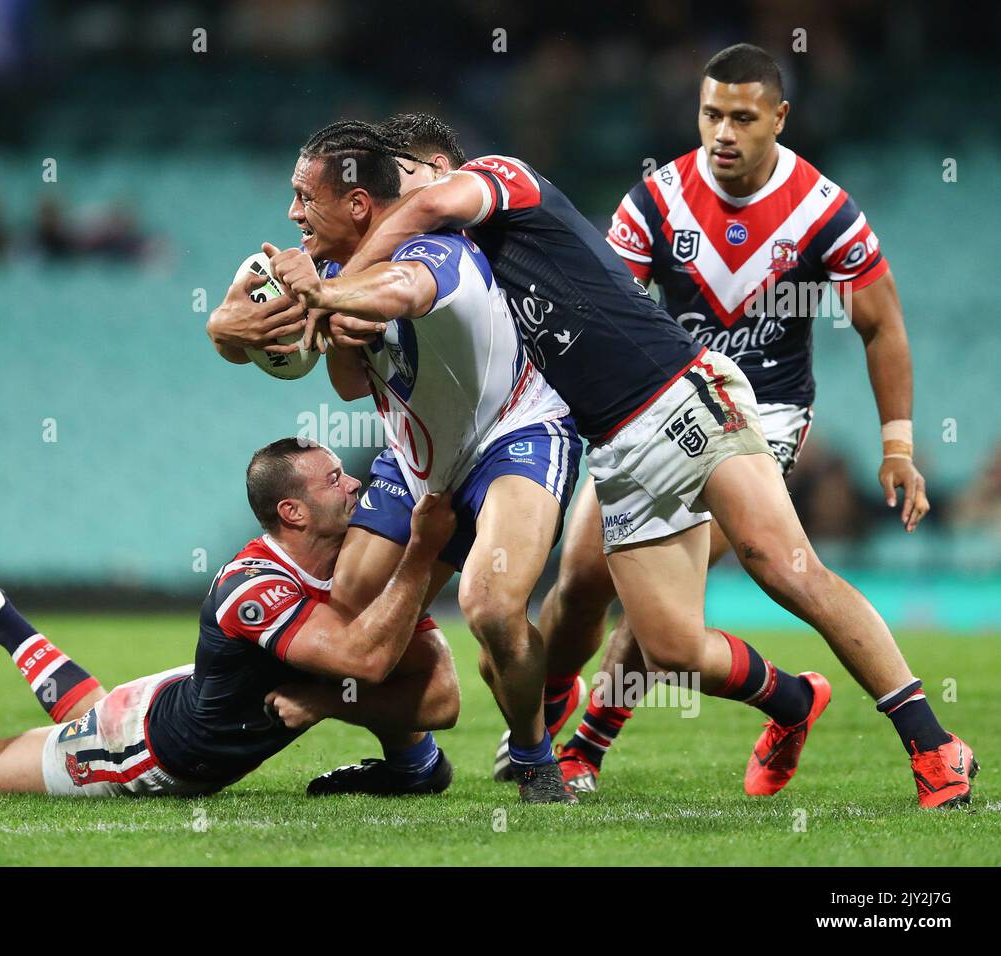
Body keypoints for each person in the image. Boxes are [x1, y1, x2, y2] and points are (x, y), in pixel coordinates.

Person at [316, 104, 976, 808]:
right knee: (670, 647)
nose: (397, 195)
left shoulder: (497, 178)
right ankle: (790, 700)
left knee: (784, 567)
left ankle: (934, 743)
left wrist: (335, 279)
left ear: (441, 170)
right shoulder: (459, 266)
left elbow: (432, 210)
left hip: (679, 395)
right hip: (617, 446)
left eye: (406, 176)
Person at [540, 43, 938, 797]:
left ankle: (583, 747)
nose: (723, 132)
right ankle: (572, 721)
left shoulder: (825, 212)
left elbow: (880, 325)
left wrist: (899, 445)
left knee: (686, 577)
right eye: (710, 113)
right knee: (587, 569)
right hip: (663, 406)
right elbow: (609, 318)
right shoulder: (655, 202)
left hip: (764, 418)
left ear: (779, 119)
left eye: (743, 117)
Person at [0, 440, 461, 799]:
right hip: (155, 752)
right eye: (336, 479)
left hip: (177, 700)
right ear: (293, 511)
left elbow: (439, 701)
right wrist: (425, 554)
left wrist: (325, 699)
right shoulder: (253, 589)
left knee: (94, 716)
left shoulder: (349, 566)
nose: (355, 482)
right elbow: (368, 662)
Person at [209, 120, 582, 802]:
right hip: (417, 462)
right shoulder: (321, 269)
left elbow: (404, 290)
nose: (292, 213)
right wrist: (223, 332)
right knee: (347, 602)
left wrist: (332, 300)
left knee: (493, 608)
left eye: (304, 196)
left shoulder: (438, 250)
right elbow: (337, 378)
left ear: (355, 206)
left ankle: (533, 755)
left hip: (514, 438)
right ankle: (414, 762)